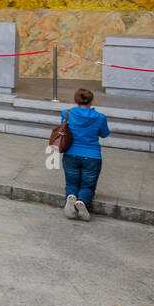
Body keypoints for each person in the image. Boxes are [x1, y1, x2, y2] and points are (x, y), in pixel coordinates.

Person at [61, 87, 110, 221]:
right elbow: (105, 134)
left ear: (75, 100)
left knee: (71, 182)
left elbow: (64, 129)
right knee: (88, 184)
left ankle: (71, 196)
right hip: (93, 155)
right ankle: (82, 201)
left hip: (71, 153)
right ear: (91, 100)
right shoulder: (100, 117)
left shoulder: (67, 113)